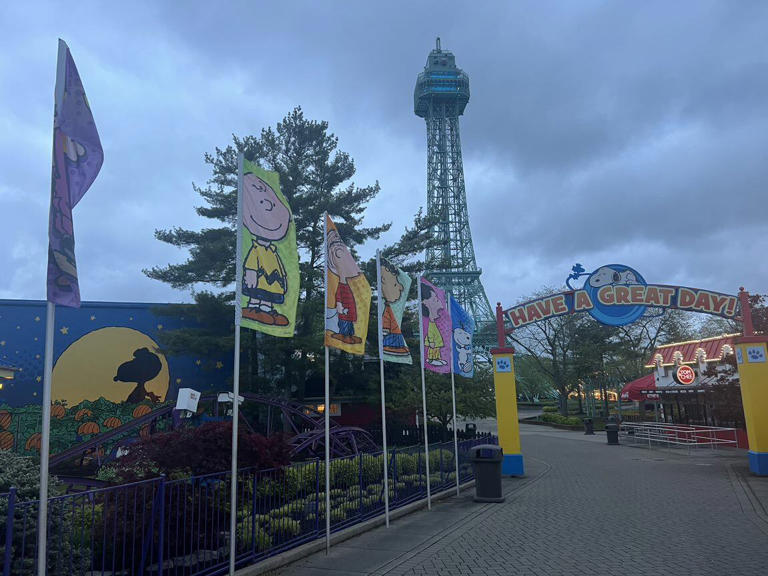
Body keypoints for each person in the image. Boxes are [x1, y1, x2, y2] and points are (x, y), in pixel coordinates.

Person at [241, 172, 291, 326]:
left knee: (268, 297)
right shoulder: (256, 249)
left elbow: (280, 267)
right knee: (257, 294)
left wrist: (284, 280)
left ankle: (267, 310)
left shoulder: (273, 251)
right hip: (259, 279)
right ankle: (253, 308)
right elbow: (251, 262)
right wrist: (250, 273)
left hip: (273, 282)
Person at [326, 228, 363, 344]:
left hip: (349, 312)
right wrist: (340, 306)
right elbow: (338, 297)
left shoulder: (347, 287)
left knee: (349, 324)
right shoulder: (340, 287)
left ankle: (350, 335)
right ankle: (344, 335)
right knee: (344, 323)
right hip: (344, 312)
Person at [380, 258, 409, 356]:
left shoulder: (389, 308)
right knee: (392, 344)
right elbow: (386, 320)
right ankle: (391, 347)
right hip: (392, 336)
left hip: (396, 335)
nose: (401, 288)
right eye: (396, 284)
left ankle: (395, 347)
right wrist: (384, 330)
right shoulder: (387, 309)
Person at [422, 283, 447, 366]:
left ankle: (437, 358)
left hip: (437, 342)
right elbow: (430, 333)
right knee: (433, 350)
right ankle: (431, 359)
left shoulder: (433, 323)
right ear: (425, 303)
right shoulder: (430, 324)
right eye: (436, 300)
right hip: (433, 342)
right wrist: (431, 341)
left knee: (436, 350)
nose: (441, 306)